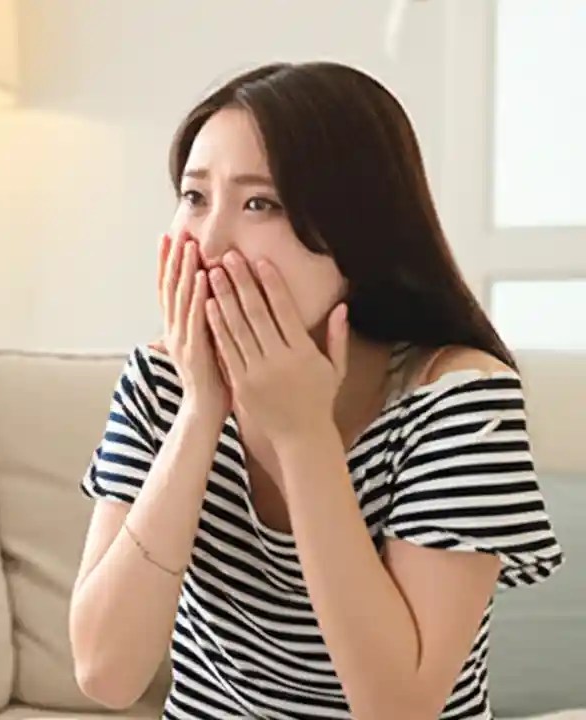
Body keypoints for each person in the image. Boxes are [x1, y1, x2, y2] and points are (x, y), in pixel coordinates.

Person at [69, 61, 564, 720]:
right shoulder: (162, 381)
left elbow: (400, 709)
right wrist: (200, 408)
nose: (210, 241)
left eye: (260, 204)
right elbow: (105, 672)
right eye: (194, 197)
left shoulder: (459, 399)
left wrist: (304, 436)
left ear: (356, 236)